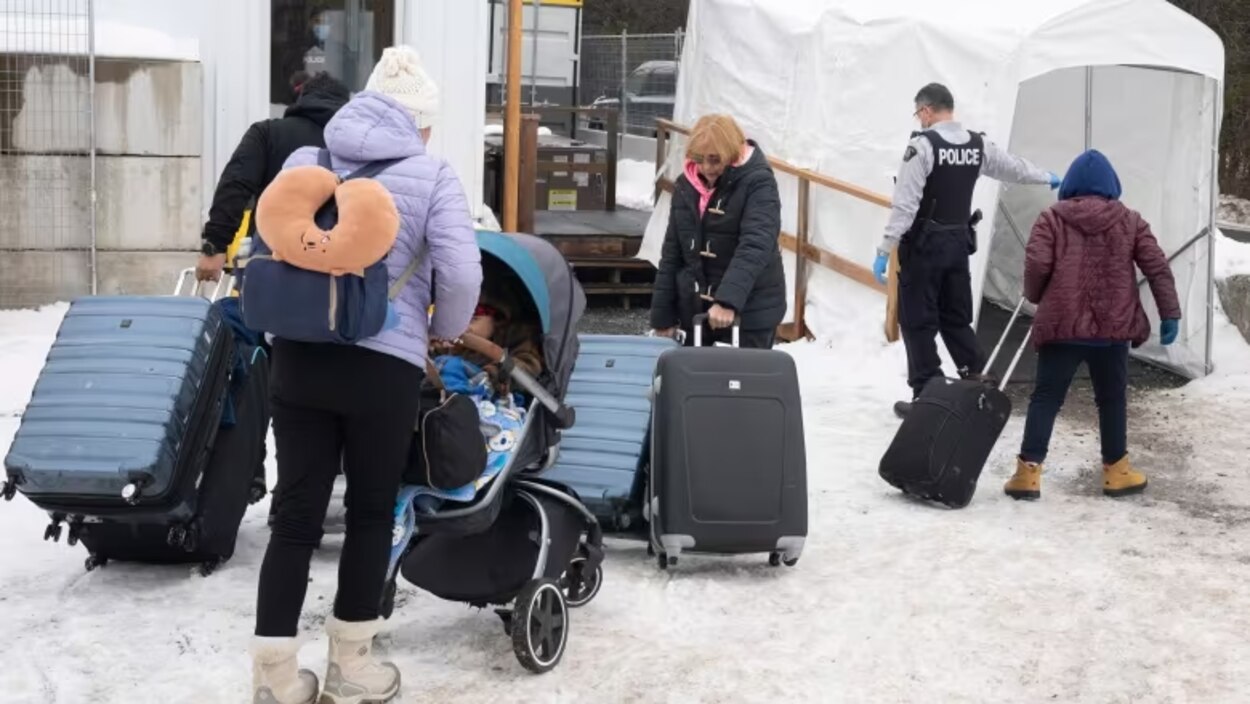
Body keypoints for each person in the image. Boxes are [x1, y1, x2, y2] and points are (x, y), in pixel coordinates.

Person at [249, 46, 482, 704]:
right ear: (420, 121)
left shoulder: (305, 160)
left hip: (297, 356)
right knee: (371, 512)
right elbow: (462, 273)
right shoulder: (432, 174)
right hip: (383, 366)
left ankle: (273, 678)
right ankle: (352, 672)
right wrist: (445, 328)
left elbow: (273, 243)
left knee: (294, 516)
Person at [875, 83, 1062, 418]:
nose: (920, 120)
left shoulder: (922, 147)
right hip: (958, 244)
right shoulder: (978, 144)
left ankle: (927, 395)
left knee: (917, 321)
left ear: (928, 110)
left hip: (923, 247)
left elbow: (905, 206)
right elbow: (1012, 167)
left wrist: (884, 248)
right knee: (956, 317)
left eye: (919, 114)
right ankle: (978, 382)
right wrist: (1044, 176)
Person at [1003, 149, 1180, 501]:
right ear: (1112, 185)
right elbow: (1156, 266)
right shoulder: (1130, 220)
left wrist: (1037, 295)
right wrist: (1169, 313)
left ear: (1069, 185)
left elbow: (1037, 265)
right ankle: (1116, 472)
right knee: (1112, 399)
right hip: (1111, 330)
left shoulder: (1051, 218)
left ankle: (1027, 476)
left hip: (1061, 326)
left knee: (1046, 398)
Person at [196, 72, 350, 283]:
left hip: (270, 257)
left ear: (301, 100)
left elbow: (235, 186)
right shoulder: (353, 145)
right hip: (336, 265)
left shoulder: (266, 134)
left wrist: (215, 246)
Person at [649, 114, 786, 349]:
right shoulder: (686, 185)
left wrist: (727, 301)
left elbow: (755, 244)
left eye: (714, 160)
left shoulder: (759, 183)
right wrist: (663, 316)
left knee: (740, 384)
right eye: (700, 160)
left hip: (749, 312)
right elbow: (672, 252)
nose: (706, 168)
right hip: (695, 312)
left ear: (731, 153)